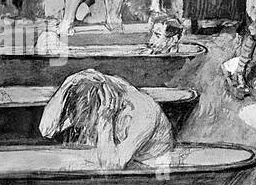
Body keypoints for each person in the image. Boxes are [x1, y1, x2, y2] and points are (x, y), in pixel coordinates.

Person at [38, 69, 173, 169]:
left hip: (149, 168)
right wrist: (66, 85)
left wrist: (105, 120)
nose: (84, 129)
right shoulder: (86, 87)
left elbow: (112, 167)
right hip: (110, 158)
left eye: (90, 122)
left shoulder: (143, 111)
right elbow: (46, 130)